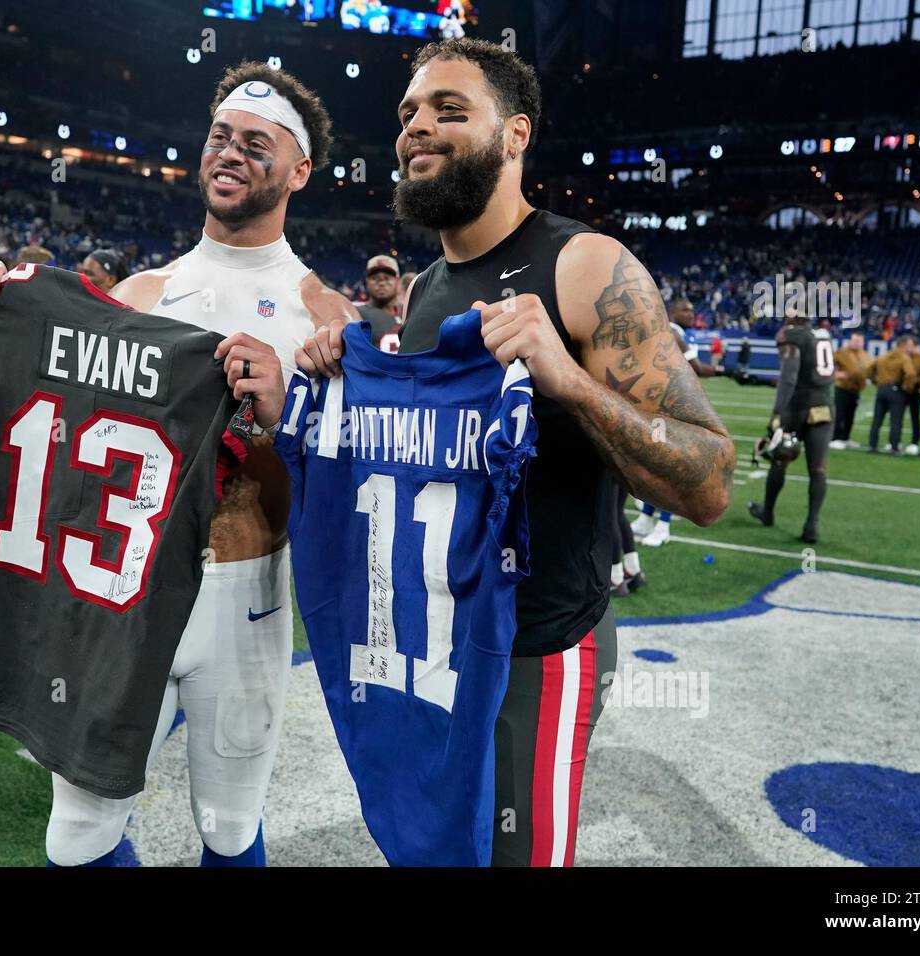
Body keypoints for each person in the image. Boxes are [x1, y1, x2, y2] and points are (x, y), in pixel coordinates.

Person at [296, 37, 732, 866]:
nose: (417, 127)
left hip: (535, 653)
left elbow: (709, 479)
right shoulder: (422, 294)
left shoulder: (583, 264)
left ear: (517, 134)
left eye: (449, 111)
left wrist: (568, 380)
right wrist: (328, 380)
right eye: (409, 114)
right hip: (426, 649)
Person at [0, 61, 354, 867]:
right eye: (219, 137)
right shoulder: (137, 295)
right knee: (76, 838)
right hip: (119, 592)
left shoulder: (326, 319)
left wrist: (290, 413)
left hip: (244, 600)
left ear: (300, 170)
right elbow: (48, 423)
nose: (230, 153)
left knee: (229, 827)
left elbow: (345, 487)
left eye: (256, 144)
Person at [630, 308, 717, 548]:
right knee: (655, 462)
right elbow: (696, 368)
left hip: (666, 404)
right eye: (686, 311)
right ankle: (648, 518)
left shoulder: (669, 331)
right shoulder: (671, 330)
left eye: (691, 311)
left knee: (664, 464)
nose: (690, 315)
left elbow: (693, 368)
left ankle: (663, 524)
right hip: (663, 403)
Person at [747, 311, 834, 543]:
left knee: (779, 459)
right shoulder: (822, 335)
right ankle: (812, 526)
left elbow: (789, 377)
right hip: (824, 406)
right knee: (818, 469)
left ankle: (768, 512)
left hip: (797, 407)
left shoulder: (791, 334)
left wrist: (777, 413)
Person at [866, 335, 914, 454]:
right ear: (903, 345)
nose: (911, 348)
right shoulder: (904, 358)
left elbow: (868, 370)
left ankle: (872, 445)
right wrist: (906, 388)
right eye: (910, 345)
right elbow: (911, 374)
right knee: (896, 421)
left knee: (877, 419)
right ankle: (894, 447)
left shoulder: (883, 356)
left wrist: (876, 382)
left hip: (882, 390)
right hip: (896, 391)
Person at [354, 253, 403, 351]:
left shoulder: (409, 310)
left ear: (397, 281)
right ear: (367, 282)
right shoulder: (357, 314)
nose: (381, 283)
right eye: (375, 278)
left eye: (387, 278)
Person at [829, 331, 868, 449]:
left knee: (850, 415)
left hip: (856, 389)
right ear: (851, 341)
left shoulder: (864, 355)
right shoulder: (842, 352)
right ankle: (834, 438)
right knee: (839, 414)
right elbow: (828, 364)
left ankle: (845, 438)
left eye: (859, 341)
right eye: (855, 340)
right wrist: (835, 374)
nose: (857, 343)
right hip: (842, 388)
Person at [901, 339, 920, 456]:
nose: (909, 348)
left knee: (915, 417)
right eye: (907, 346)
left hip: (915, 392)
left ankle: (915, 441)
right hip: (902, 391)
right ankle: (894, 441)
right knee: (897, 417)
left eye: (911, 346)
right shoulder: (902, 357)